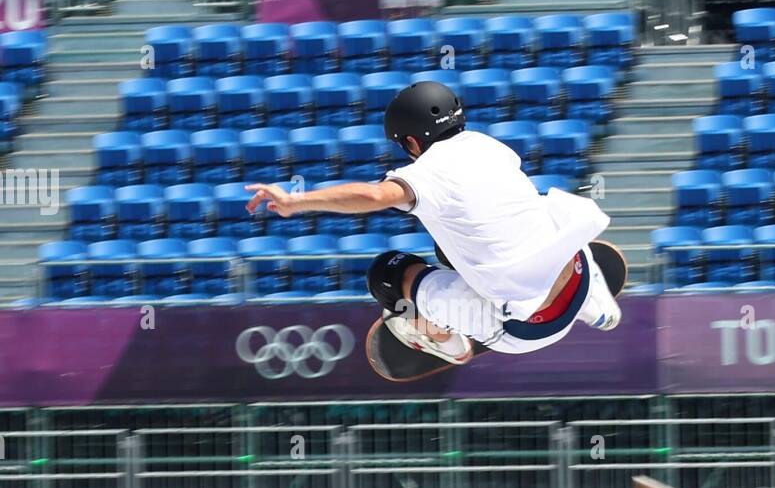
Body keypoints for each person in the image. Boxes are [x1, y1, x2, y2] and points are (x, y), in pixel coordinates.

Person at [245, 79, 621, 365]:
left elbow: (375, 196)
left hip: (528, 330)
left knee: (389, 274)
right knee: (538, 211)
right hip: (578, 270)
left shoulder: (428, 173)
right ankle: (595, 303)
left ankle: (442, 339)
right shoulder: (489, 146)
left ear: (411, 142)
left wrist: (296, 201)